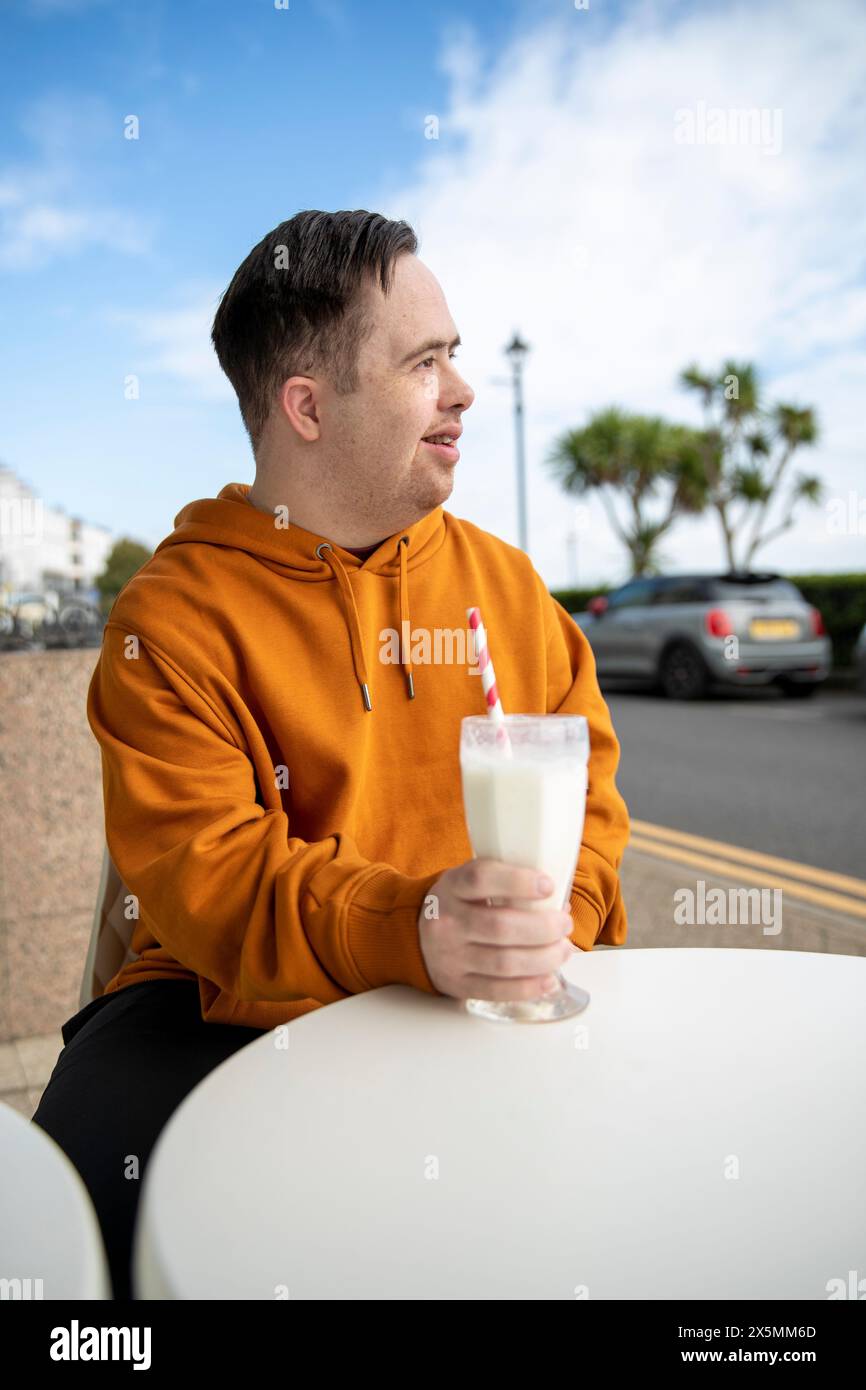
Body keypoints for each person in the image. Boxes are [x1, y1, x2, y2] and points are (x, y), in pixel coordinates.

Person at [32, 209, 630, 1300]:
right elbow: (217, 883)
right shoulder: (169, 619)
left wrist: (541, 937)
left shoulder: (507, 590)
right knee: (86, 1216)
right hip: (215, 1000)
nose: (461, 391)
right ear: (306, 407)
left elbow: (590, 801)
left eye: (456, 355)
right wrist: (414, 926)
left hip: (472, 992)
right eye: (423, 362)